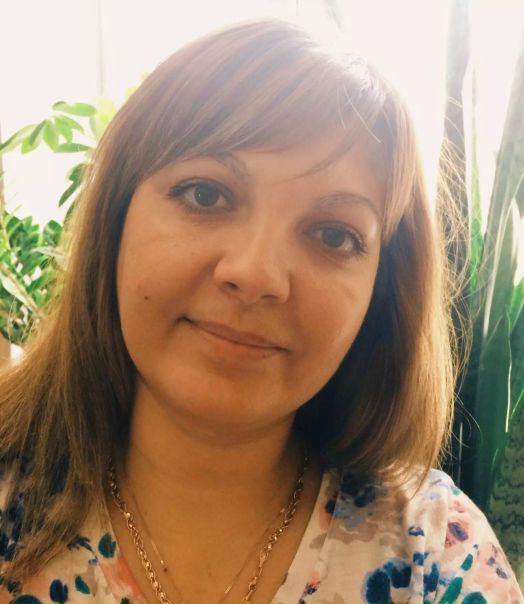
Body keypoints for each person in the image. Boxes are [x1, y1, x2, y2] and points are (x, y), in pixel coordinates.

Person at [0, 17, 522, 604]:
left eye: (332, 234)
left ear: (381, 294)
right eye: (206, 194)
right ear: (116, 221)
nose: (254, 275)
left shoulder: (439, 555)